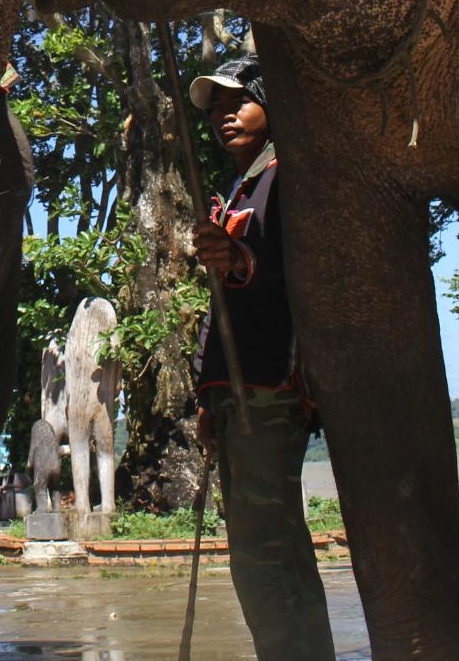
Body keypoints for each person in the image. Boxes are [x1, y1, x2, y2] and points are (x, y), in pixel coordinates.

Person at [188, 55, 335, 661]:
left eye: (237, 101)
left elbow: (302, 271)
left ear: (269, 104)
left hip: (271, 390)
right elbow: (223, 306)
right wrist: (207, 395)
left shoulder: (286, 178)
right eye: (216, 108)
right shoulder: (241, 186)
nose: (225, 115)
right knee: (281, 544)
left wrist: (241, 259)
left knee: (259, 555)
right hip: (237, 393)